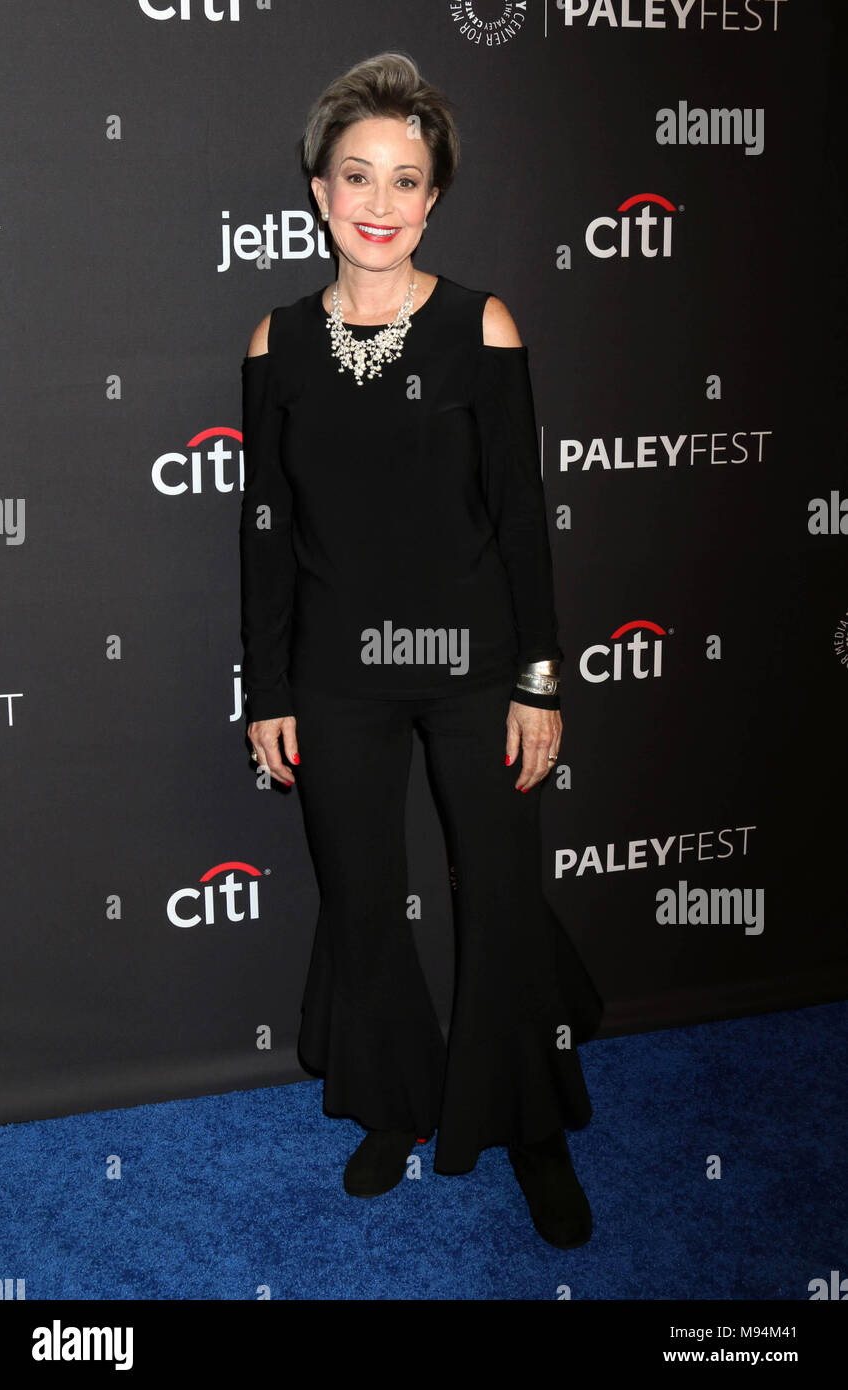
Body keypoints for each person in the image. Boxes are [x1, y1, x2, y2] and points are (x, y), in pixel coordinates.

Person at [239, 52, 604, 1249]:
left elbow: (520, 515)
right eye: (357, 176)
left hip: (472, 666)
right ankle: (390, 1104)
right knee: (360, 901)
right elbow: (266, 532)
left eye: (406, 179)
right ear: (316, 187)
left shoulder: (478, 324)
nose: (380, 202)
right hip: (336, 677)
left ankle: (529, 1124)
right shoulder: (274, 343)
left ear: (433, 197)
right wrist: (271, 687)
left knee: (496, 895)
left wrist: (538, 678)